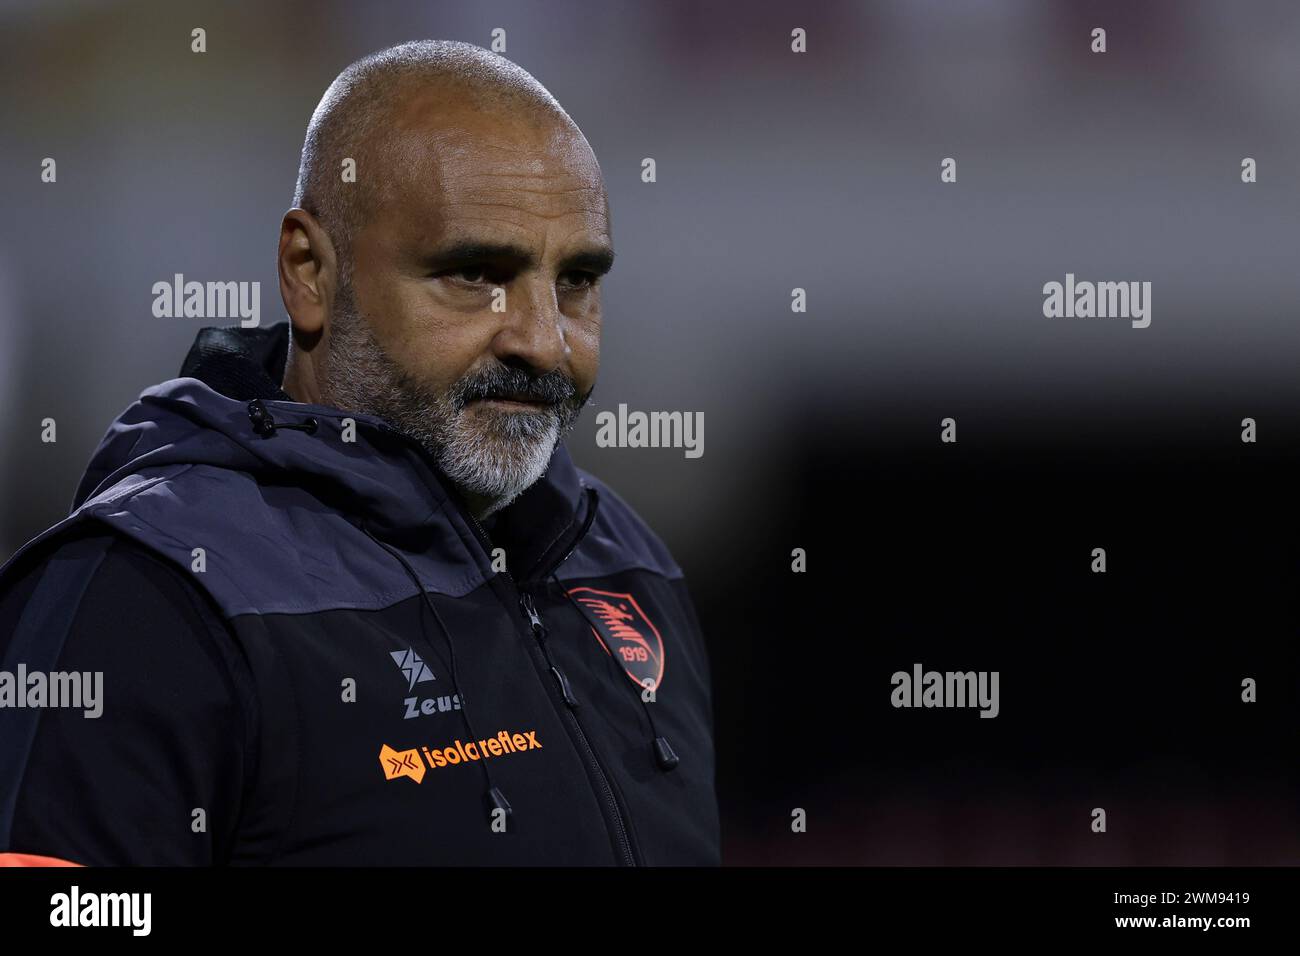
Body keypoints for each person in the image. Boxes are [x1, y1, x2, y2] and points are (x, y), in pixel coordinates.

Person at [0, 40, 719, 866]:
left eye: (576, 282)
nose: (544, 344)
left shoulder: (629, 566)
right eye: (476, 273)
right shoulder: (143, 599)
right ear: (310, 272)